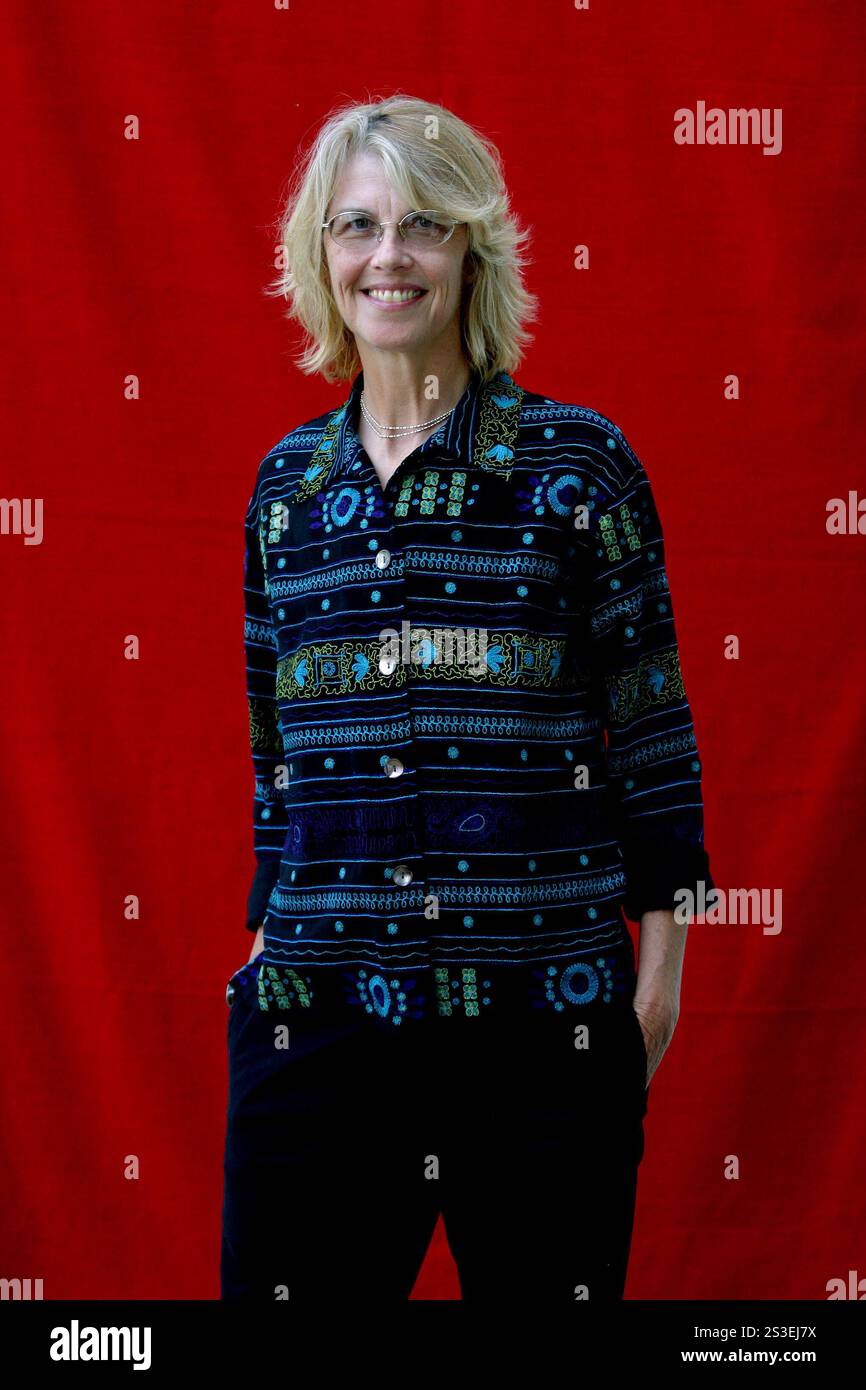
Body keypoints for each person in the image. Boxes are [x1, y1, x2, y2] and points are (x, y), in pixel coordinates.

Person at [220, 93, 715, 1302]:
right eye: (356, 225)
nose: (386, 256)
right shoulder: (285, 492)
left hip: (543, 1022)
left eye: (422, 226)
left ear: (470, 253)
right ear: (319, 256)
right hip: (318, 1014)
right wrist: (262, 938)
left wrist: (656, 978)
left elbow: (651, 729)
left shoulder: (577, 467)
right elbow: (274, 751)